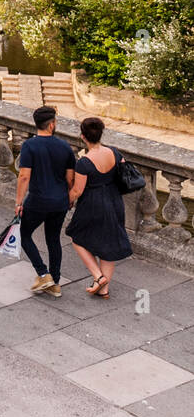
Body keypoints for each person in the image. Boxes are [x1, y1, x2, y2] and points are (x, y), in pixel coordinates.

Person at [66, 117, 132, 298]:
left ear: (83, 137)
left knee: (76, 237)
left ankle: (98, 276)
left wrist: (68, 201)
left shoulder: (84, 163)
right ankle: (104, 290)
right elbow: (123, 170)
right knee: (108, 246)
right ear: (101, 134)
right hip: (114, 200)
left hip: (93, 204)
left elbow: (78, 190)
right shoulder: (114, 153)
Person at [15, 106, 76, 297]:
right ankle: (55, 283)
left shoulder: (29, 146)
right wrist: (69, 198)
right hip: (59, 201)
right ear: (51, 125)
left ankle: (43, 273)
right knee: (53, 239)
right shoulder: (65, 147)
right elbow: (70, 178)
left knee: (24, 234)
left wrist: (18, 203)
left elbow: (24, 176)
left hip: (38, 201)